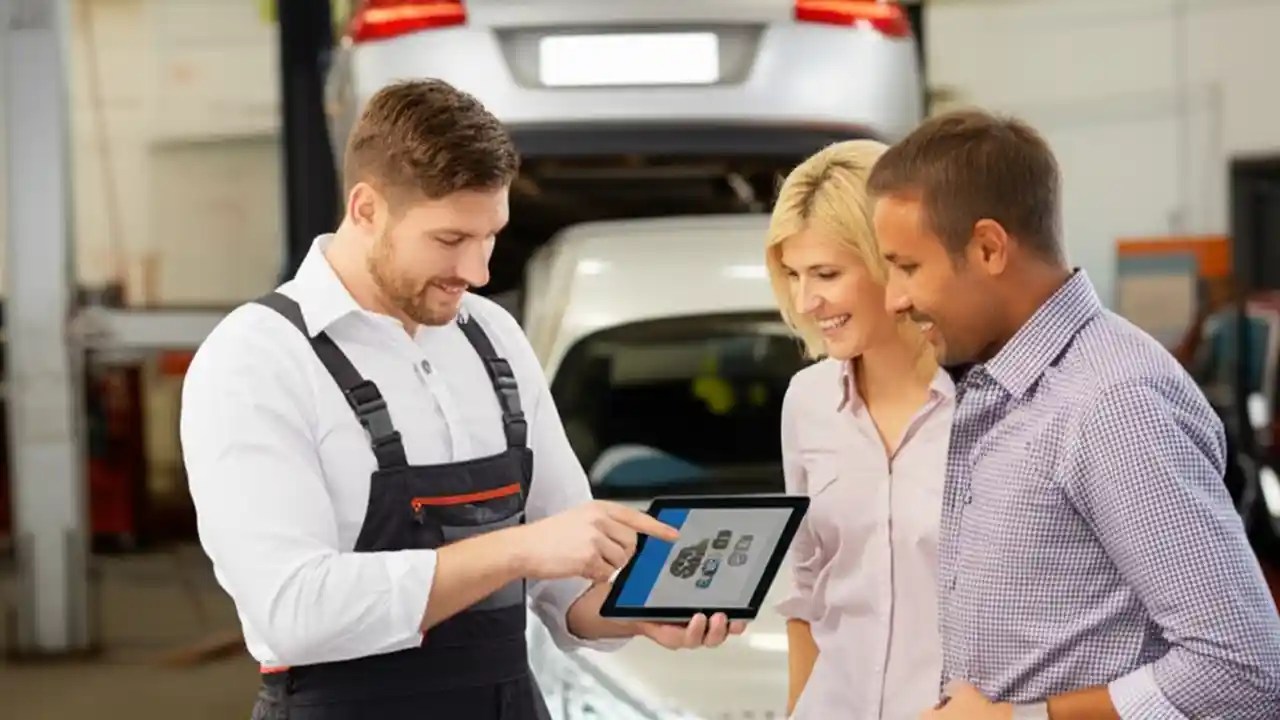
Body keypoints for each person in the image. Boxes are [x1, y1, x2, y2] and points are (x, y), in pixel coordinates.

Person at [179, 78, 744, 720]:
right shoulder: (257, 360)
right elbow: (293, 612)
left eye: (491, 237)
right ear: (366, 209)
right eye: (450, 240)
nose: (477, 273)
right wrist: (517, 549)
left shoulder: (492, 338)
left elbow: (566, 586)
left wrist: (636, 615)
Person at [866, 109, 1280, 720]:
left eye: (907, 267)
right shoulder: (997, 384)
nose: (894, 298)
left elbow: (1243, 669)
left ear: (988, 247)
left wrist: (1022, 719)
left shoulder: (1111, 405)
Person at [765, 140, 954, 719]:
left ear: (889, 262)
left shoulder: (984, 402)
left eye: (826, 273)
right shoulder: (808, 402)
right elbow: (806, 593)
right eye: (793, 274)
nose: (806, 300)